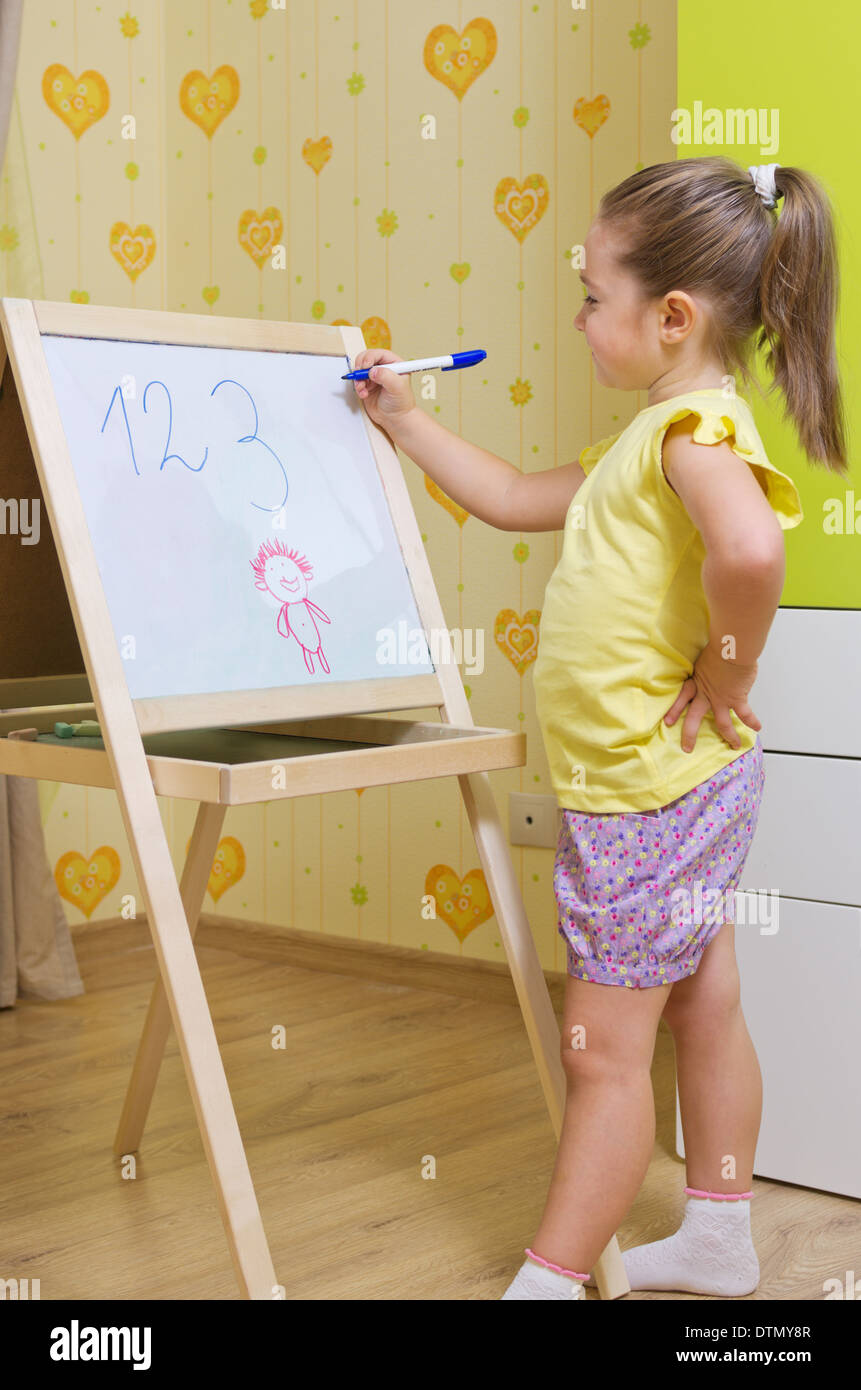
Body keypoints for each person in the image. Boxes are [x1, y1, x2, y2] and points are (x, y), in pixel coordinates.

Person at [351, 156, 847, 1300]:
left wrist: (730, 667)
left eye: (589, 294)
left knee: (609, 1056)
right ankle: (719, 1234)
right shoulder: (657, 434)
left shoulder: (689, 439)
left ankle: (551, 1278)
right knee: (704, 1002)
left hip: (645, 793)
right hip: (676, 785)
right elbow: (520, 495)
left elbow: (755, 552)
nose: (576, 318)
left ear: (671, 316)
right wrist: (410, 423)